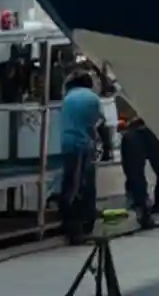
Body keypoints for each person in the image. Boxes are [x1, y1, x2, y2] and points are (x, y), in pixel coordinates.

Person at [59, 70, 103, 245]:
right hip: (86, 144)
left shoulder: (68, 98)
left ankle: (71, 228)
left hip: (69, 144)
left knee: (70, 186)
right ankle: (87, 225)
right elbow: (97, 124)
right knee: (87, 186)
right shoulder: (93, 98)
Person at [120, 117, 159, 229]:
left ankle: (158, 206)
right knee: (135, 174)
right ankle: (141, 206)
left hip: (157, 129)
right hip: (135, 129)